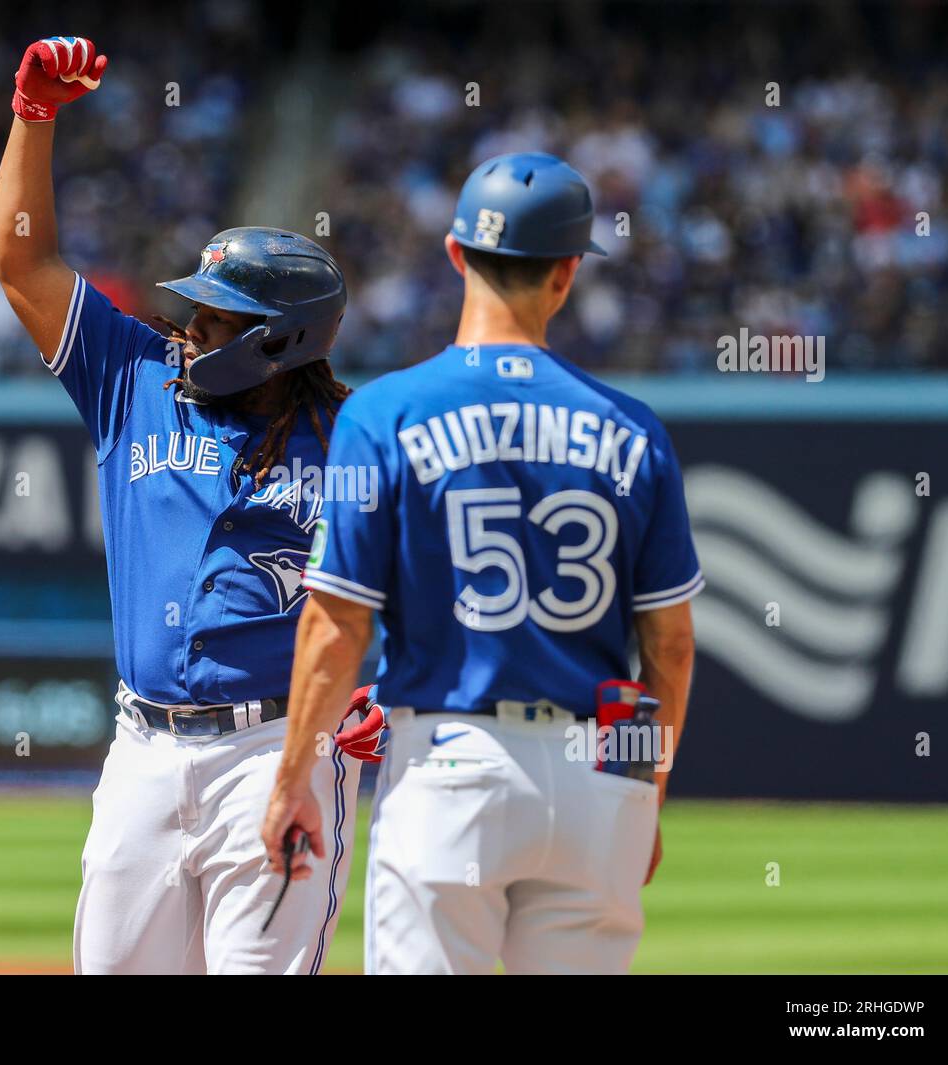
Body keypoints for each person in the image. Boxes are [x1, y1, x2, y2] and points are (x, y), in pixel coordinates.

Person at [262, 152, 702, 974]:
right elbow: (668, 646)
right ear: (568, 273)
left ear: (457, 254)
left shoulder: (384, 415)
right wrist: (642, 789)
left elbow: (335, 624)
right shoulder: (634, 429)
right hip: (599, 762)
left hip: (450, 760)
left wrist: (293, 779)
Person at [0, 35, 360, 974]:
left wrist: (382, 697)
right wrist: (34, 117)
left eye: (216, 318)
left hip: (279, 751)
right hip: (143, 750)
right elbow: (21, 267)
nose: (191, 329)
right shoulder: (135, 379)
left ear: (281, 339)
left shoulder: (352, 440)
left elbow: (412, 589)